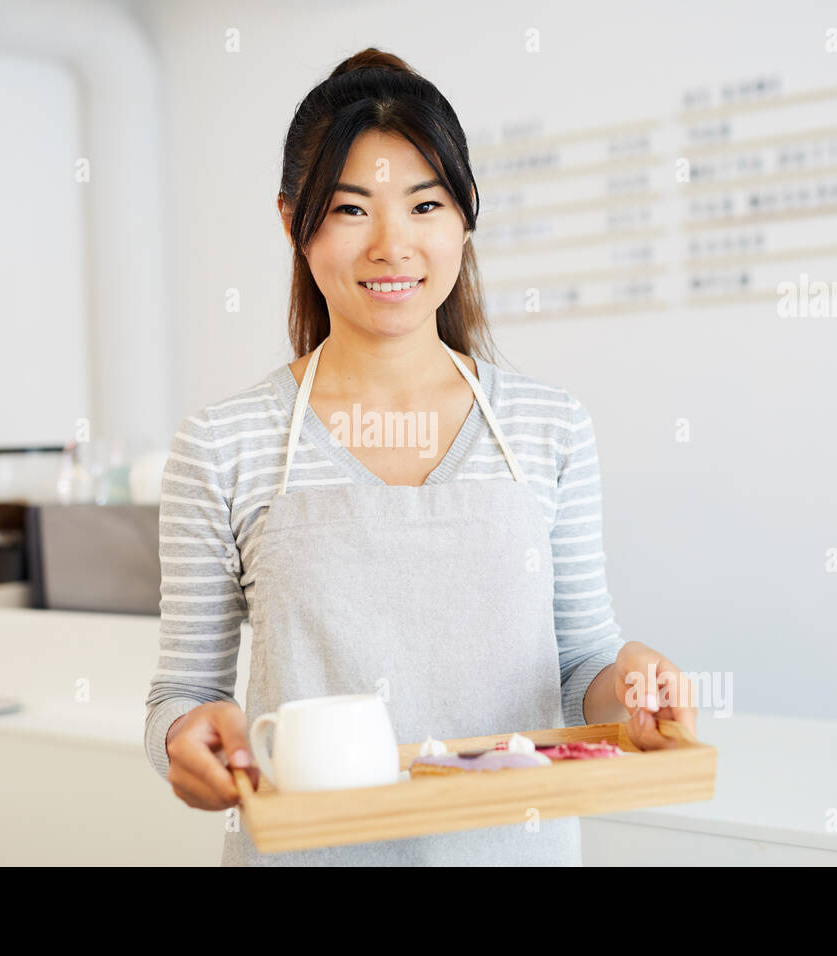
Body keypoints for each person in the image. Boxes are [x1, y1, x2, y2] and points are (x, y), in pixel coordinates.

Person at [144, 48, 696, 866]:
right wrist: (187, 742)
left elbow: (582, 667)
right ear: (293, 221)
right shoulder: (224, 444)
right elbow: (182, 697)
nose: (392, 245)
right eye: (350, 209)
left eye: (425, 204)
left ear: (466, 218)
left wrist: (634, 687)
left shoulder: (550, 427)